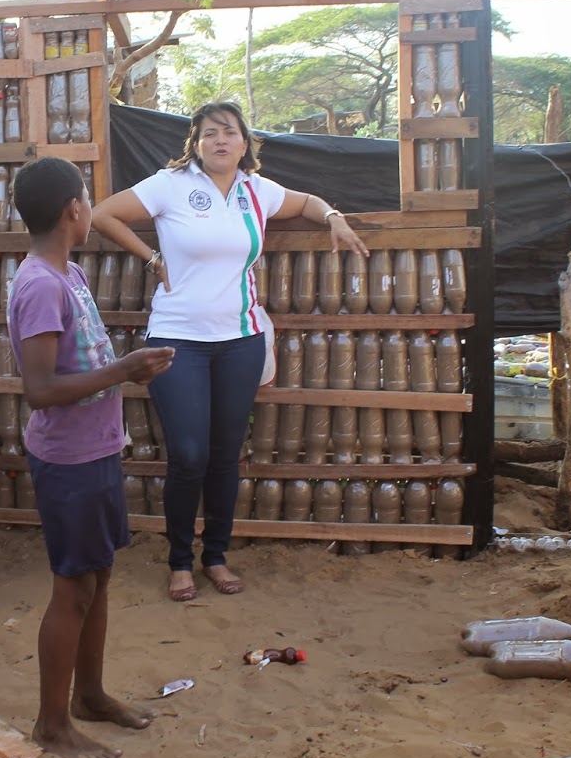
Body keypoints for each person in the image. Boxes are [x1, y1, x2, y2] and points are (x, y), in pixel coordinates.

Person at [92, 101, 368, 602]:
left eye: (230, 133)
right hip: (177, 339)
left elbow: (305, 201)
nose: (221, 140)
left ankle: (215, 556)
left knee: (224, 455)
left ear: (246, 144)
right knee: (189, 453)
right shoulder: (169, 185)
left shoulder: (255, 190)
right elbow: (102, 214)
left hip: (240, 341)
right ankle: (179, 560)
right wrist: (151, 257)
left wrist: (333, 216)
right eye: (210, 133)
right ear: (196, 143)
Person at [9, 157, 175, 758]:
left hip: (98, 448)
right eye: (86, 199)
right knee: (74, 587)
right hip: (68, 460)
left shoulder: (68, 275)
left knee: (98, 576)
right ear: (73, 211)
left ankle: (91, 696)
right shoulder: (40, 286)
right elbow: (42, 389)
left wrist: (124, 369)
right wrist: (127, 369)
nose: (89, 208)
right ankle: (51, 724)